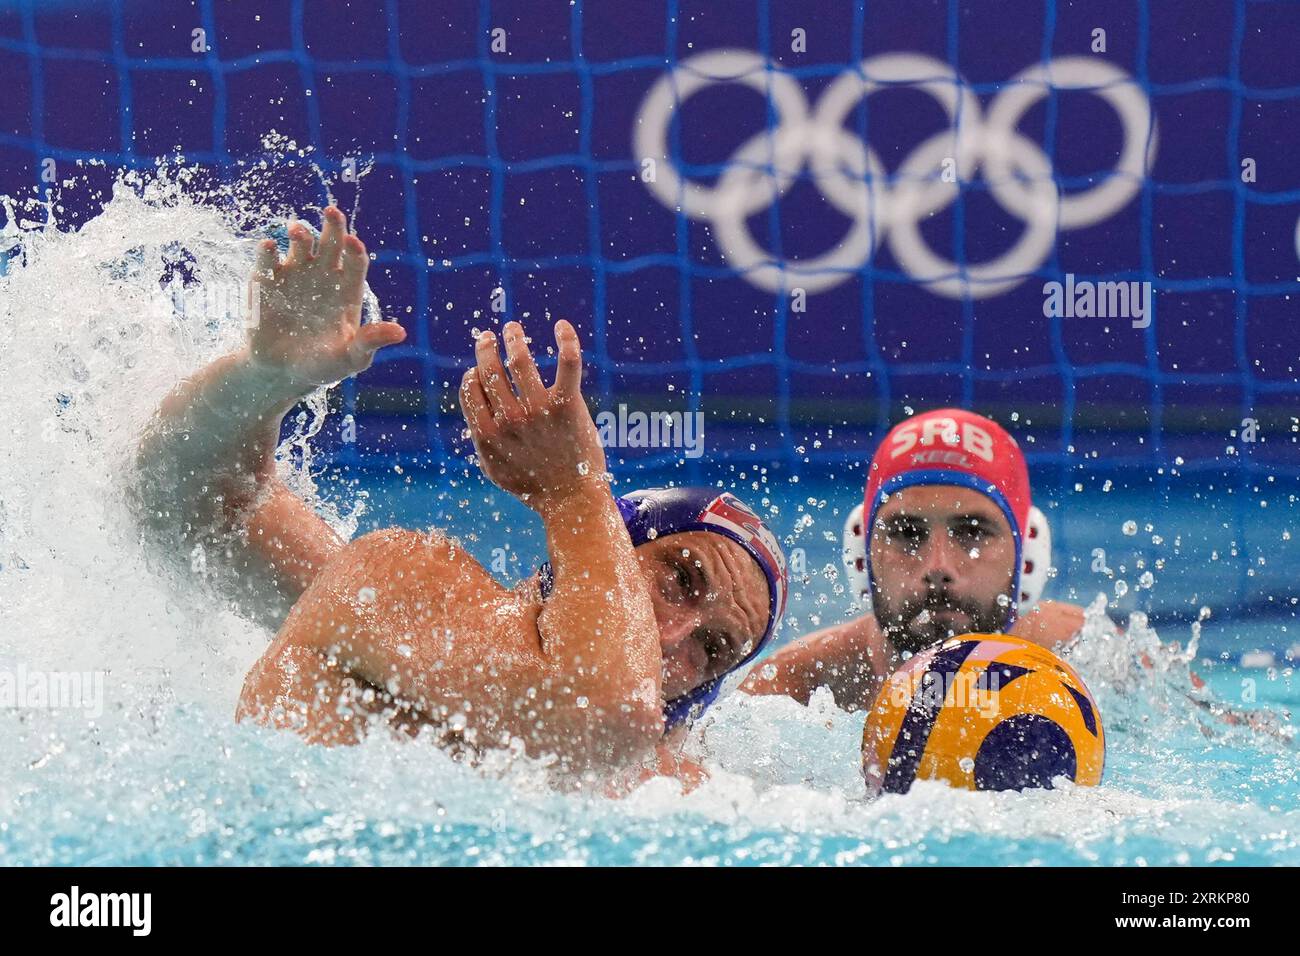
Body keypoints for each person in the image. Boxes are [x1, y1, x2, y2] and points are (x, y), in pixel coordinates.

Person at [132, 207, 786, 781]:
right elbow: (188, 498)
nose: (675, 634)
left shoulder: (680, 794)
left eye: (712, 650)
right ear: (610, 544)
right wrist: (263, 378)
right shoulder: (395, 593)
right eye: (678, 578)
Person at [742, 408, 1085, 713]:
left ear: (1027, 553)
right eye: (906, 533)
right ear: (862, 552)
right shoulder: (785, 694)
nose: (938, 567)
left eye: (973, 532)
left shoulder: (1083, 656)